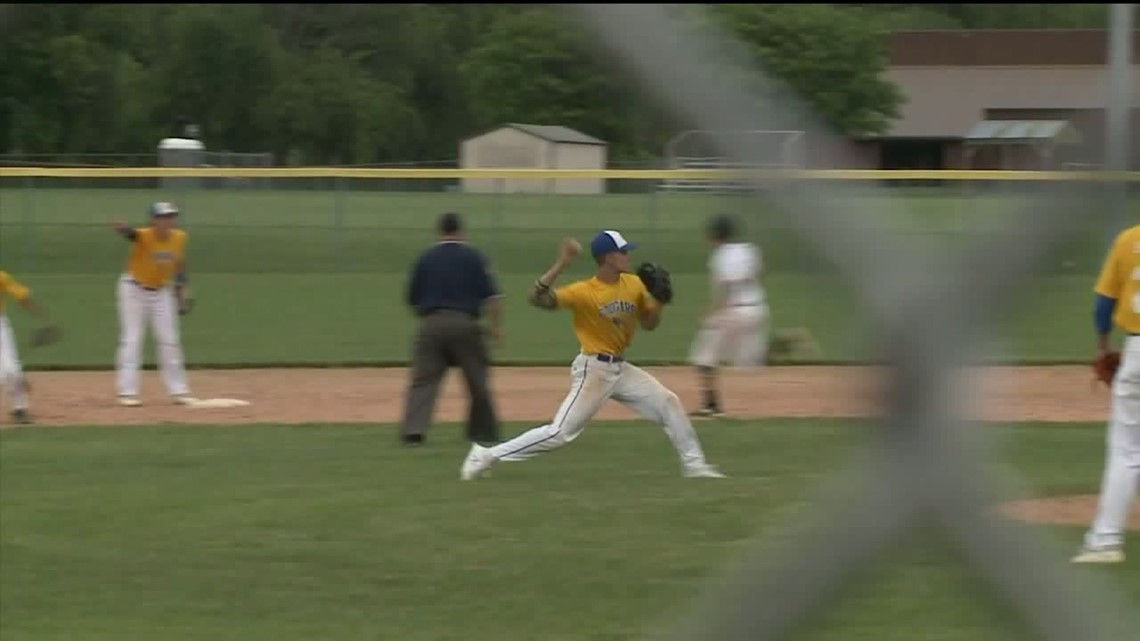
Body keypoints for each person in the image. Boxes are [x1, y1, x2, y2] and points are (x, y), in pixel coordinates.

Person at [459, 230, 726, 480]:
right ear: (608, 258)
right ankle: (485, 455)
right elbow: (536, 298)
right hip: (594, 370)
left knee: (669, 402)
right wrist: (562, 263)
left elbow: (649, 323)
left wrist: (660, 303)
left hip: (620, 370)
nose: (627, 256)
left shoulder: (633, 284)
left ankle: (695, 466)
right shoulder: (584, 292)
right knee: (560, 433)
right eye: (623, 252)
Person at [400, 212, 503, 446]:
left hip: (430, 324)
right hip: (465, 324)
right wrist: (496, 328)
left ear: (439, 232)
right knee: (477, 380)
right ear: (461, 231)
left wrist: (428, 320)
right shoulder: (475, 257)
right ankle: (482, 433)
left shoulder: (425, 258)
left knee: (423, 380)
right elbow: (493, 297)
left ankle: (414, 431)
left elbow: (412, 298)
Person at [1072, 223, 1140, 565]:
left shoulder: (1129, 240)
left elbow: (1103, 304)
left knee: (1127, 450)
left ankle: (1105, 541)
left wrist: (1102, 346)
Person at [113, 202, 194, 407]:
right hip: (133, 289)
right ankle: (127, 392)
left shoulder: (179, 237)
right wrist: (123, 229)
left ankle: (179, 391)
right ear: (154, 220)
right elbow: (132, 235)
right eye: (163, 217)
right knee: (132, 338)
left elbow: (179, 264)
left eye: (171, 216)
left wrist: (182, 288)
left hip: (161, 291)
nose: (168, 220)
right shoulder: (145, 235)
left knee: (170, 340)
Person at [688, 213, 768, 418]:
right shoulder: (750, 250)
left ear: (714, 235)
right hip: (758, 309)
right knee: (747, 360)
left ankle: (711, 405)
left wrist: (710, 314)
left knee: (703, 357)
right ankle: (762, 353)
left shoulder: (719, 257)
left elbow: (726, 289)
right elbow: (755, 273)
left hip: (735, 312)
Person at [0, 269, 57, 424]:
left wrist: (45, 320)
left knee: (11, 370)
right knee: (3, 375)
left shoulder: (1, 277)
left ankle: (20, 409)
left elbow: (23, 298)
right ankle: (19, 380)